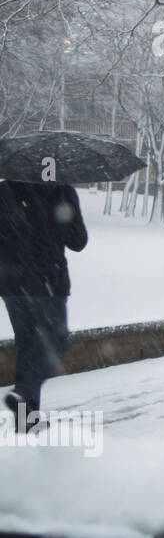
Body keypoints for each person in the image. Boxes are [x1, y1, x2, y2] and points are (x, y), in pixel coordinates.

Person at [0, 179, 87, 429]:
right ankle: (24, 392)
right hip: (47, 281)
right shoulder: (60, 191)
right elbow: (78, 241)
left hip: (11, 283)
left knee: (27, 345)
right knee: (56, 343)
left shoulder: (5, 189)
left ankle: (27, 419)